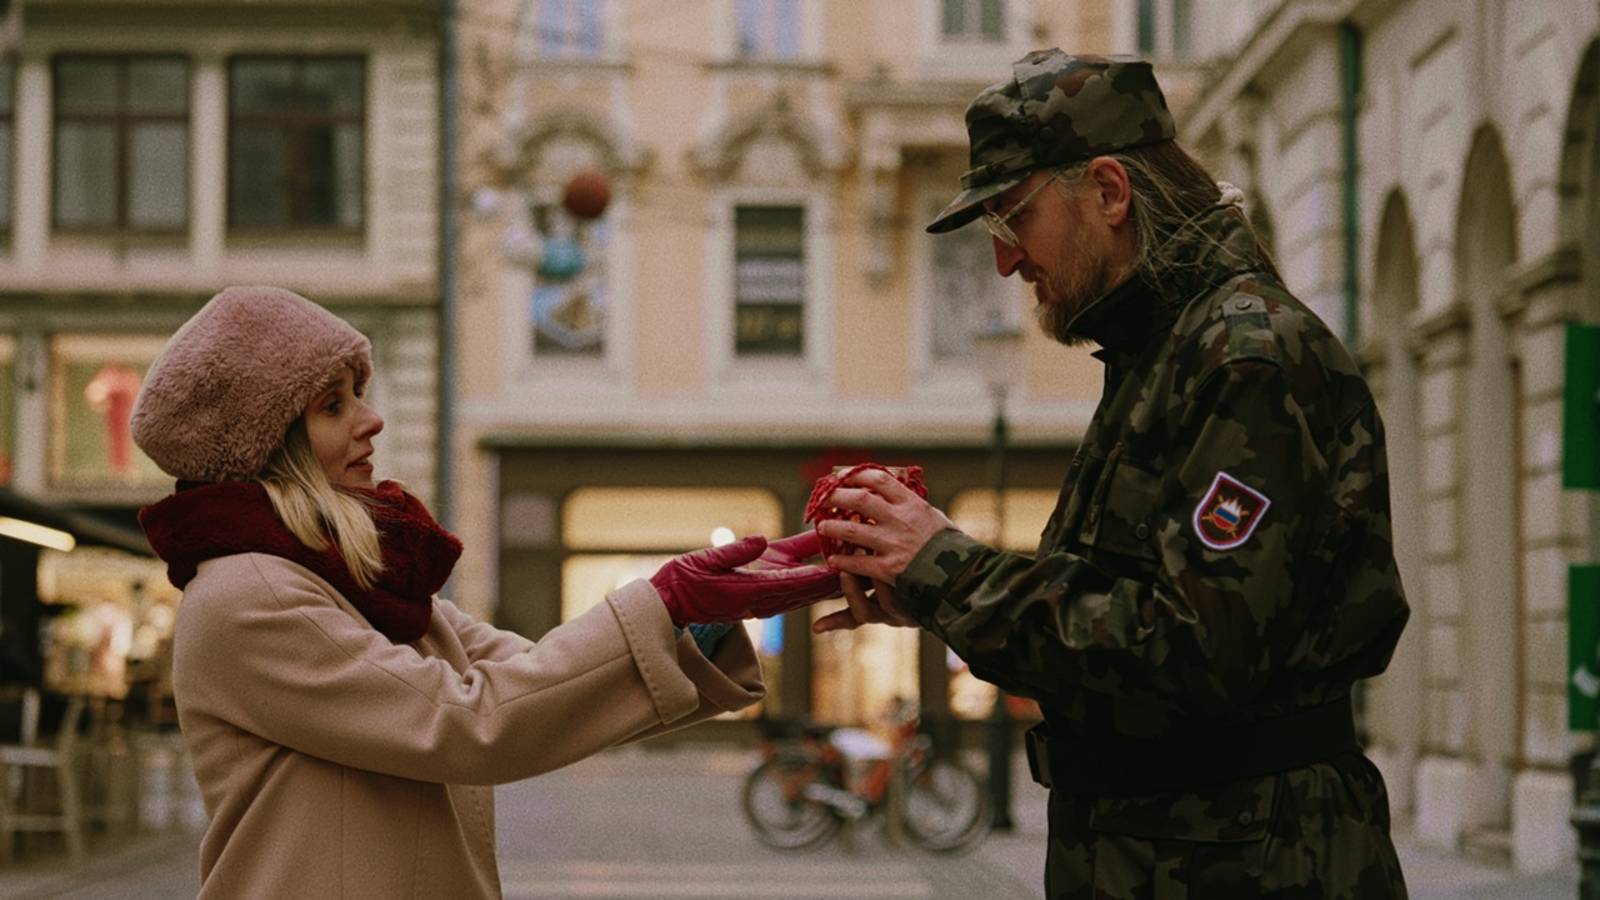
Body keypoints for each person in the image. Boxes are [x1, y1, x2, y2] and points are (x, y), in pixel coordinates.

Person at [813, 50, 1411, 898]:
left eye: (1013, 217)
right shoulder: (1164, 352)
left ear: (1108, 191)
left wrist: (949, 569)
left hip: (1250, 866)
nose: (1006, 262)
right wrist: (933, 592)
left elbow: (1189, 650)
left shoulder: (1245, 354)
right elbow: (1116, 610)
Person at [130, 286, 839, 898]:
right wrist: (668, 601)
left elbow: (538, 682)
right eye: (332, 405)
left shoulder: (352, 579)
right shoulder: (254, 593)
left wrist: (704, 614)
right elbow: (469, 720)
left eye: (359, 395)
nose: (370, 420)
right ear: (270, 445)